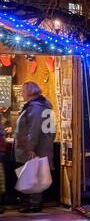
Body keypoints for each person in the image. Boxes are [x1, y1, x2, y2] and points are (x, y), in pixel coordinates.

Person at [13, 81, 54, 214]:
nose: (21, 94)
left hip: (36, 147)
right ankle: (32, 200)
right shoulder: (42, 106)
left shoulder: (36, 108)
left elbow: (34, 129)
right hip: (42, 145)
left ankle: (35, 203)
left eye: (23, 91)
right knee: (34, 173)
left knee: (35, 173)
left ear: (30, 92)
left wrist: (30, 147)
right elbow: (52, 131)